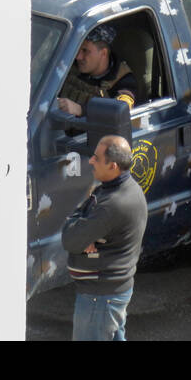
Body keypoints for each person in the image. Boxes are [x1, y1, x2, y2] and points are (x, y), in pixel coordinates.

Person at [60, 134, 148, 340]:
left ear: (113, 166)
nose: (90, 160)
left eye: (97, 158)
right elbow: (80, 224)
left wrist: (79, 226)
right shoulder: (120, 189)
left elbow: (69, 239)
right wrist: (85, 228)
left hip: (99, 300)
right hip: (110, 295)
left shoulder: (112, 204)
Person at [55, 25, 136, 118]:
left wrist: (81, 110)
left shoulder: (123, 81)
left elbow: (121, 110)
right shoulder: (68, 64)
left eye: (85, 51)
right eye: (77, 48)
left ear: (103, 53)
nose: (78, 57)